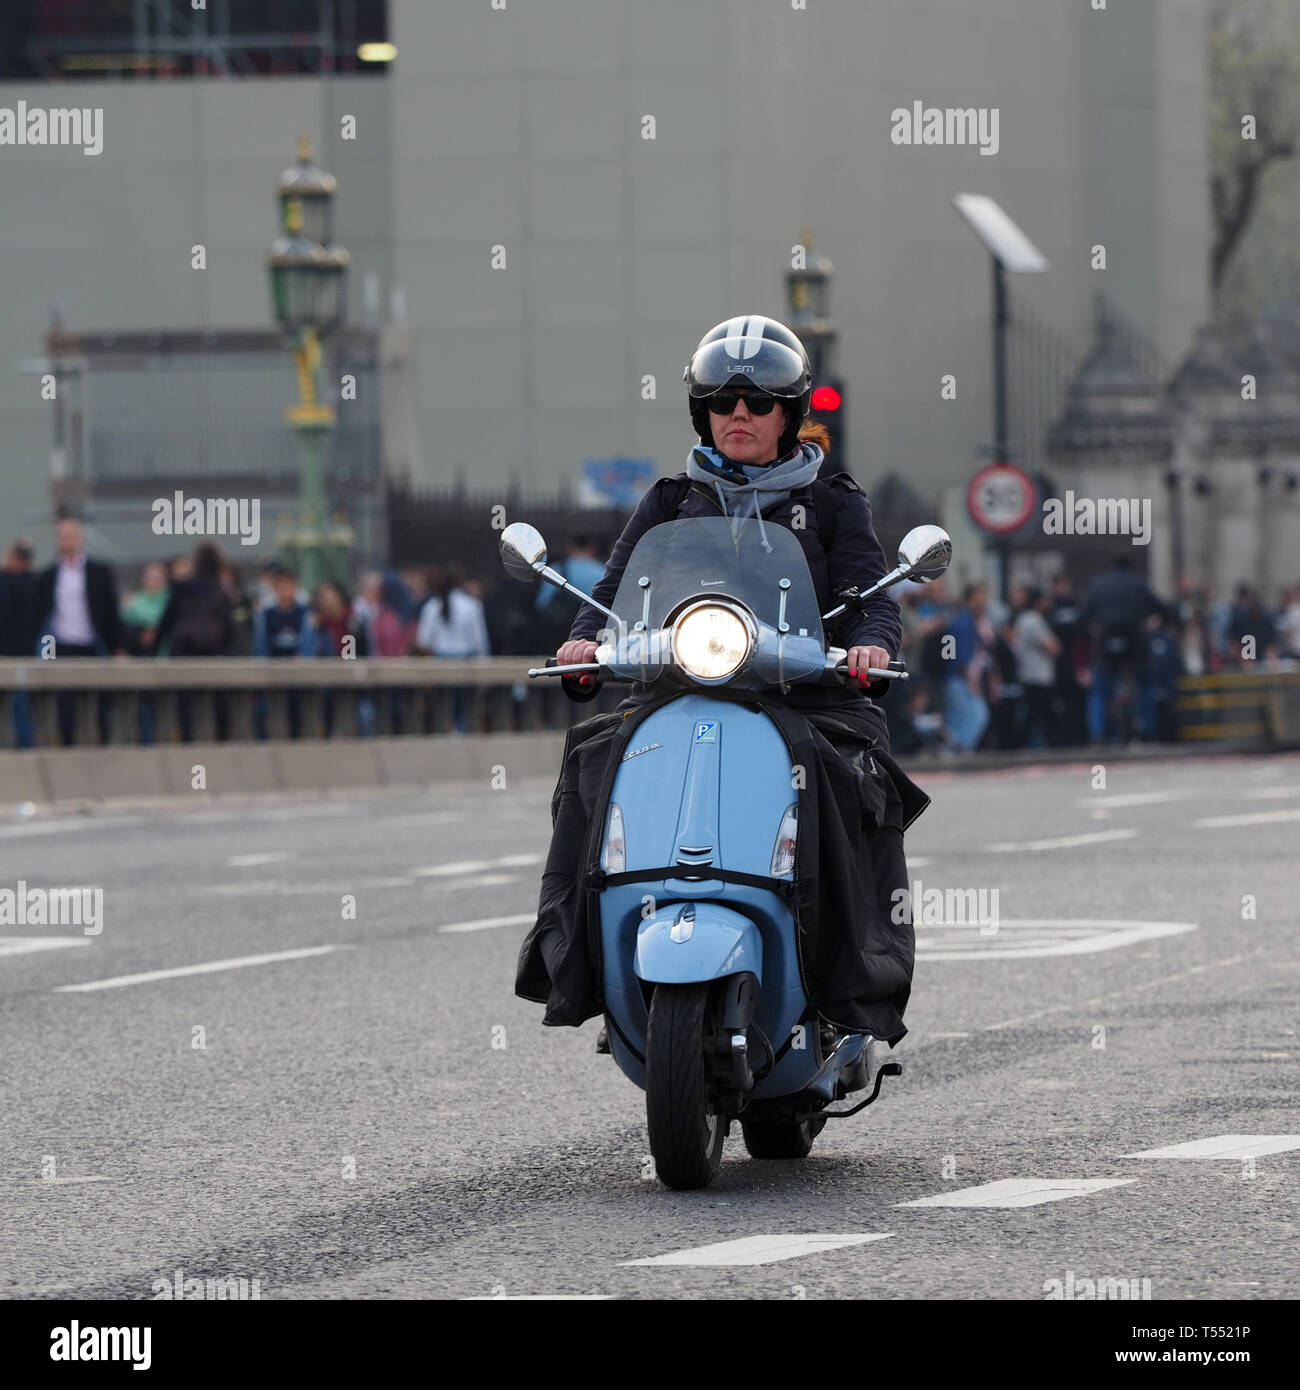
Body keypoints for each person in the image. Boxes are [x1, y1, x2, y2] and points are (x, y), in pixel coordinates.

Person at [525, 313, 929, 1049]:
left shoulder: (834, 501)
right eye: (721, 401)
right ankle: (583, 970)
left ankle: (852, 987)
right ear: (702, 412)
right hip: (678, 688)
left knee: (848, 781)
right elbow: (612, 594)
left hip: (809, 697)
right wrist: (585, 642)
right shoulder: (671, 501)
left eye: (759, 401)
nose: (738, 413)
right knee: (592, 760)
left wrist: (870, 647)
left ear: (789, 413)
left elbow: (871, 598)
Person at [35, 516, 125, 745]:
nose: (68, 541)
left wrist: (118, 648)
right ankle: (68, 746)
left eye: (71, 536)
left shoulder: (98, 571)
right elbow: (42, 617)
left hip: (93, 643)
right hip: (62, 644)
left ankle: (103, 744)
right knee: (65, 704)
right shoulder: (49, 575)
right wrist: (44, 654)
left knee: (100, 700)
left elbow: (111, 612)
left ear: (80, 538)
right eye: (63, 536)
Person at [1077, 554, 1167, 743]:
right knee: (1145, 684)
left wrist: (1091, 630)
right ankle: (1146, 730)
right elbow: (1160, 609)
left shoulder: (1098, 585)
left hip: (1106, 638)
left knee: (1099, 690)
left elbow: (1083, 617)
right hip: (1135, 639)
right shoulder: (1138, 585)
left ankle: (1098, 734)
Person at [155, 543, 234, 741]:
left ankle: (186, 739)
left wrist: (153, 649)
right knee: (220, 703)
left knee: (185, 704)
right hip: (215, 655)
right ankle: (222, 739)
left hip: (184, 652)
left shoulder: (182, 587)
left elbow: (166, 622)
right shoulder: (222, 590)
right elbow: (228, 629)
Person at [415, 562, 490, 734]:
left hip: (440, 662)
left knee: (443, 707)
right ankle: (460, 733)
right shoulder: (471, 605)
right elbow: (480, 641)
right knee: (463, 708)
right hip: (465, 663)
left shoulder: (432, 606)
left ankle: (445, 733)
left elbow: (423, 641)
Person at [252, 564, 310, 738]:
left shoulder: (305, 614)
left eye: (289, 587)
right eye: (282, 587)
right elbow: (260, 645)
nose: (286, 591)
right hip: (273, 671)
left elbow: (307, 644)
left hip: (298, 674)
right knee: (269, 713)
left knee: (298, 713)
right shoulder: (265, 615)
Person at [0, 539, 39, 747]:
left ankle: (24, 746)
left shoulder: (34, 583)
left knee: (21, 708)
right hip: (13, 654)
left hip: (23, 657)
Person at [1011, 587, 1060, 750]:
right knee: (1041, 716)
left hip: (1029, 674)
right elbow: (1054, 647)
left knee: (1032, 716)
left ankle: (1027, 747)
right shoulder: (1033, 620)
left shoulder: (1023, 619)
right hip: (1038, 676)